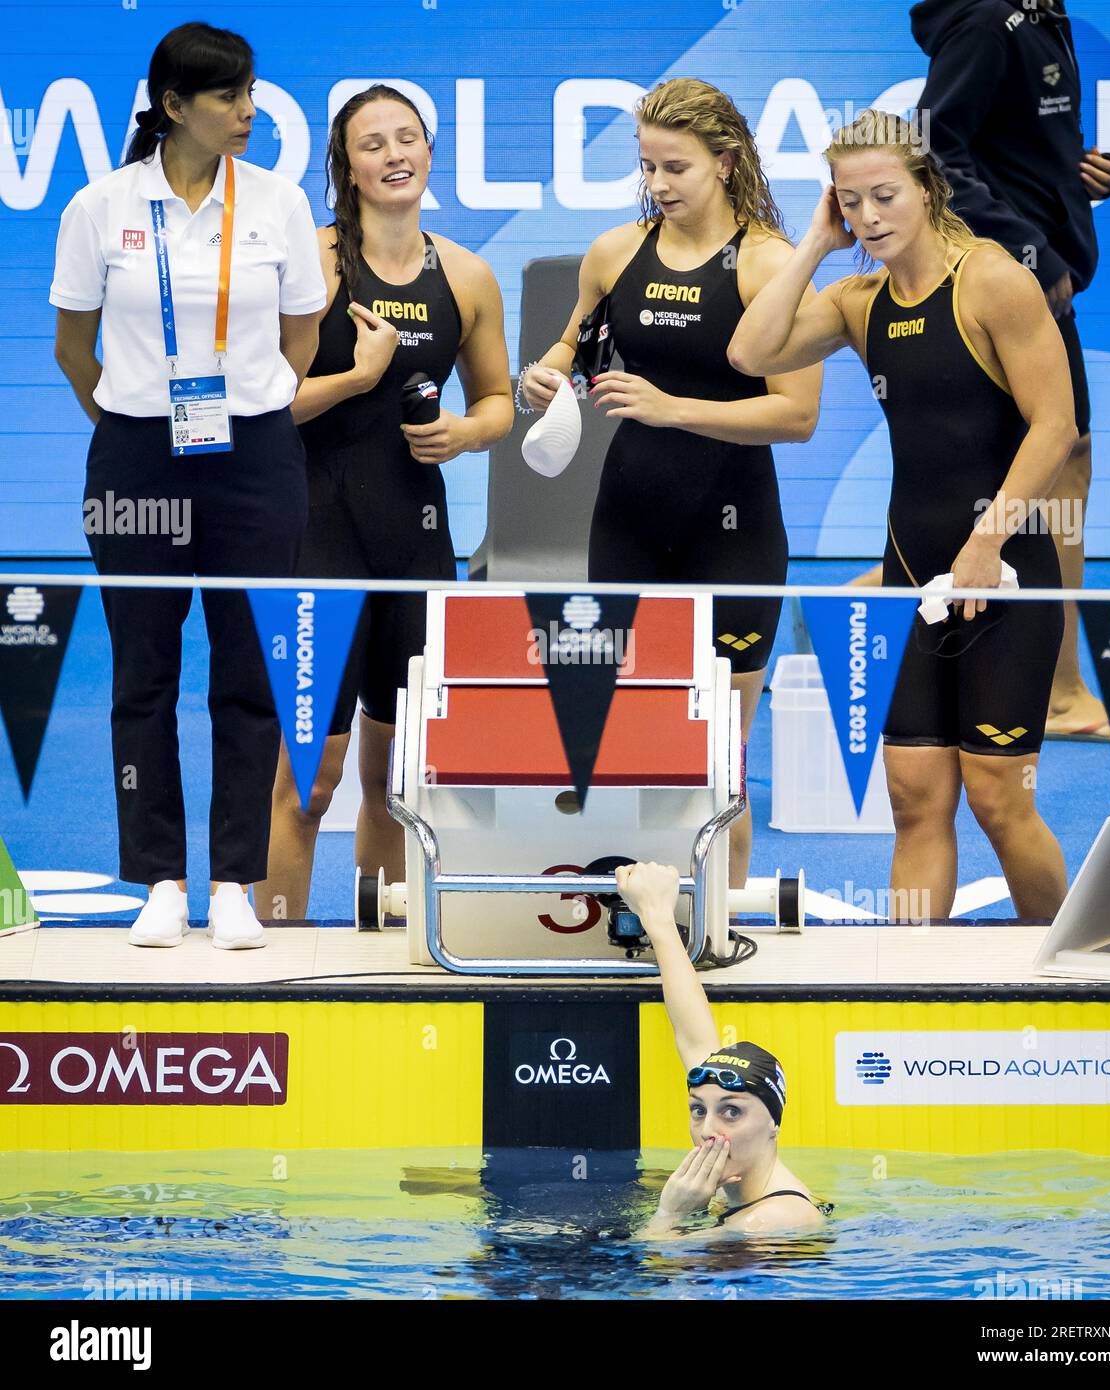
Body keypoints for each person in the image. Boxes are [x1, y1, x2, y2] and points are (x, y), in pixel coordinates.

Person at [729, 110, 1077, 922]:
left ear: (928, 189)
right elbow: (749, 354)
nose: (870, 218)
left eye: (885, 196)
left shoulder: (992, 281)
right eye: (851, 203)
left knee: (999, 799)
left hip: (1009, 571)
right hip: (911, 573)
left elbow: (1054, 423)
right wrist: (814, 244)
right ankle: (910, 981)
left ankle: (1077, 978)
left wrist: (988, 542)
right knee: (915, 798)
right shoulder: (859, 301)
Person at [50, 22, 326, 949]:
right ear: (173, 107)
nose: (249, 110)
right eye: (228, 97)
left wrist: (243, 415)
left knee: (249, 671)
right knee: (143, 672)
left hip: (254, 455)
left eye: (251, 91)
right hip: (137, 453)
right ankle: (162, 878)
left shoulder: (280, 203)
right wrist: (135, 430)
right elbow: (72, 348)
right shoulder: (99, 207)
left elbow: (300, 344)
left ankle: (237, 881)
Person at [521, 78, 822, 889]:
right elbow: (571, 349)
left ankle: (717, 931)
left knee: (722, 749)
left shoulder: (769, 265)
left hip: (734, 530)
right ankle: (643, 919)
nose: (656, 185)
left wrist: (671, 407)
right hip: (627, 520)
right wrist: (540, 380)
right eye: (647, 166)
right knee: (630, 738)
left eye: (675, 168)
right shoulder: (617, 252)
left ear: (725, 163)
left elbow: (796, 416)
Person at [254, 86, 512, 921]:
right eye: (373, 143)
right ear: (347, 165)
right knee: (308, 780)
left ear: (431, 153)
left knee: (399, 781)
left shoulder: (466, 276)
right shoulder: (316, 266)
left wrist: (466, 435)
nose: (394, 154)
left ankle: (374, 953)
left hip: (417, 547)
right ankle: (276, 949)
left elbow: (501, 401)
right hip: (316, 539)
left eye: (408, 138)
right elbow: (262, 402)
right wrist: (361, 379)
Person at [908, 0, 1110, 739]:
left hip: (1034, 272)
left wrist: (1080, 175)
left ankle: (850, 607)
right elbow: (933, 151)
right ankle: (1060, 695)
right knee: (1059, 467)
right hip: (1016, 280)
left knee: (1046, 477)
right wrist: (1029, 248)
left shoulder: (1042, 15)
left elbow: (1006, 147)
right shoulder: (987, 25)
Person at [614, 862, 827, 1237]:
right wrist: (657, 916)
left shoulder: (774, 1219)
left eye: (731, 1112)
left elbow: (648, 1265)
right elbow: (693, 1033)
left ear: (773, 1125)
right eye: (698, 1110)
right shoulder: (744, 1186)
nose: (708, 1130)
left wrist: (669, 1215)